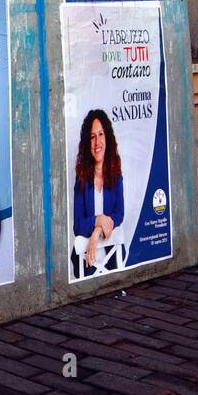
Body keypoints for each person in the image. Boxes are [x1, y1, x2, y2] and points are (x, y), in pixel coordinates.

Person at [71, 109, 125, 276]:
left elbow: (119, 213)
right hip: (86, 260)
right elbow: (78, 225)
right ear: (88, 142)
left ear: (107, 138)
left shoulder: (116, 175)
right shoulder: (81, 179)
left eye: (101, 134)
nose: (97, 142)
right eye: (93, 137)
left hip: (112, 257)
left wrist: (97, 231)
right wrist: (99, 220)